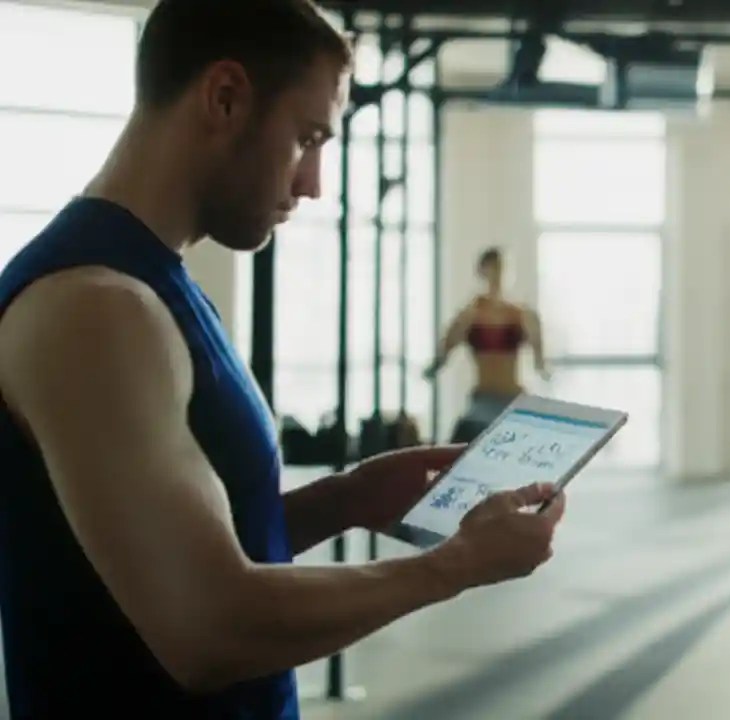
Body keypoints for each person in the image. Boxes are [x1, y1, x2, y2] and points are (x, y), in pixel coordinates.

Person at [0, 1, 566, 717]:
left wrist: (346, 498)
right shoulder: (94, 310)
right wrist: (456, 565)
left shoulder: (151, 288)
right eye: (307, 137)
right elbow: (209, 626)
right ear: (226, 97)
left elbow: (171, 547)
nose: (313, 183)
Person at [423, 247, 550, 443]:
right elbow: (445, 350)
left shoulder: (522, 315)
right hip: (483, 400)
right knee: (461, 447)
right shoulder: (469, 315)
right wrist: (433, 368)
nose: (498, 274)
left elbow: (540, 361)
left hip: (512, 398)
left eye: (502, 268)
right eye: (493, 268)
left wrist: (546, 373)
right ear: (482, 271)